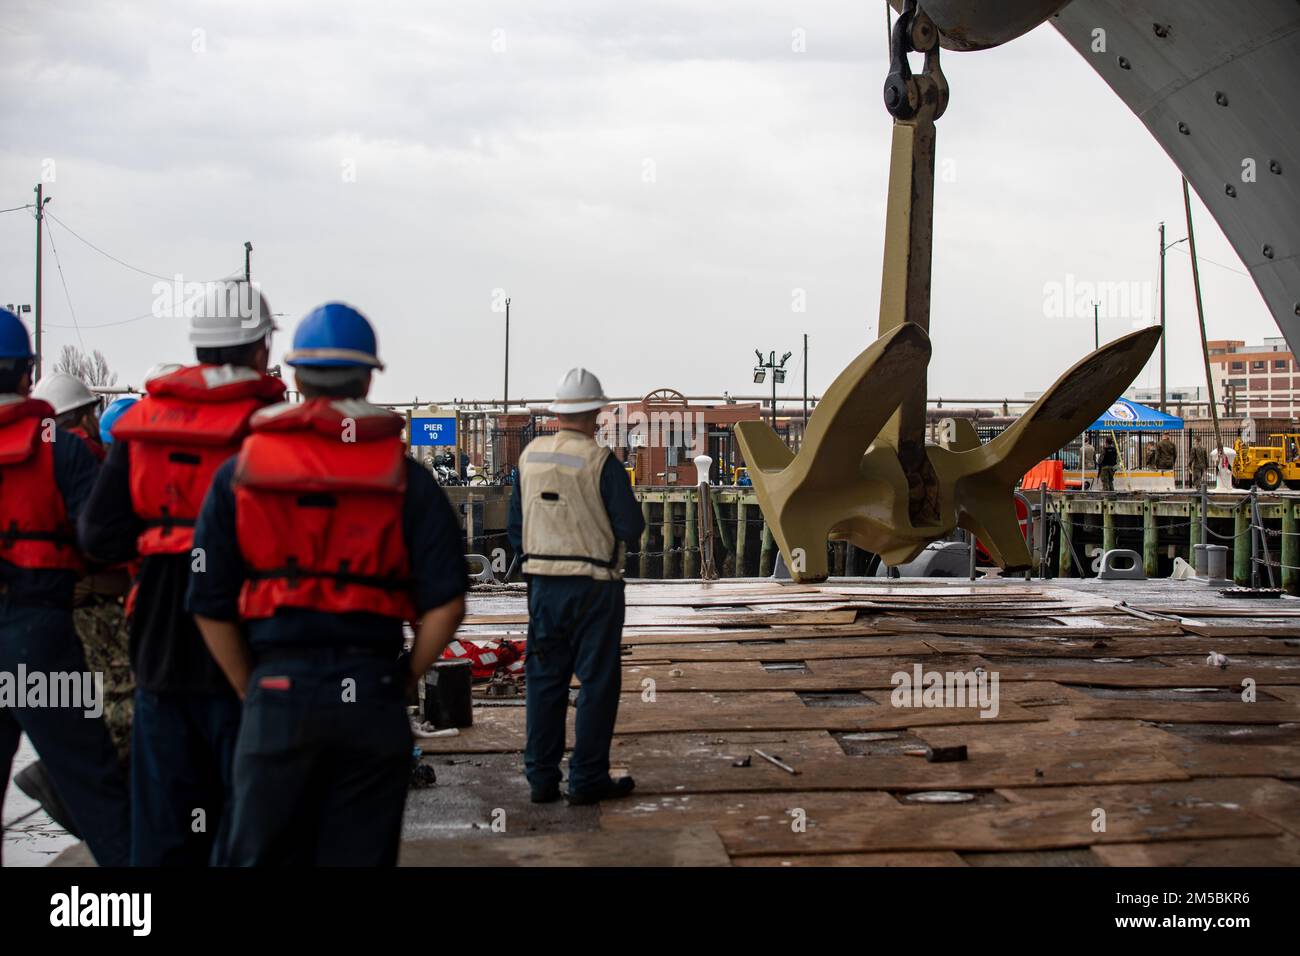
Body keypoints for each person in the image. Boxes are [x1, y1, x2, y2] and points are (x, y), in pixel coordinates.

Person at [188, 302, 468, 866]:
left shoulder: (239, 475)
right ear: (368, 379)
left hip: (276, 694)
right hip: (370, 696)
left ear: (294, 376)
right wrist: (407, 676)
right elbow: (447, 604)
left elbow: (209, 604)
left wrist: (250, 687)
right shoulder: (407, 480)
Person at [78, 280, 284, 866]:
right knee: (247, 825)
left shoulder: (144, 424)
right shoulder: (269, 426)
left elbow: (97, 534)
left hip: (161, 645)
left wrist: (159, 540)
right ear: (260, 349)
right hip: (245, 649)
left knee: (164, 830)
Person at [0, 308, 130, 866]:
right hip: (41, 634)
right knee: (94, 785)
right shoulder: (62, 449)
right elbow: (104, 538)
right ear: (26, 372)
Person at [508, 367, 644, 805]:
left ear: (557, 412)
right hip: (595, 588)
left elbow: (515, 529)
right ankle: (586, 778)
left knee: (544, 681)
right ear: (596, 413)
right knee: (597, 682)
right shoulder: (602, 462)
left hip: (543, 587)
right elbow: (631, 526)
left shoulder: (529, 458)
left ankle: (540, 779)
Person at [32, 371, 105, 462]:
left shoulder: (32, 456)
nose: (96, 419)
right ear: (85, 420)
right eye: (93, 414)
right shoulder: (90, 454)